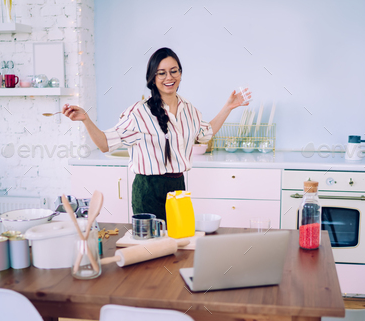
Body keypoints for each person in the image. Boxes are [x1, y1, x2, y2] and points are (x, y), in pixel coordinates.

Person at [63, 47, 250, 221]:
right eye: (161, 73)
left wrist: (229, 107)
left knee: (180, 242)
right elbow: (105, 143)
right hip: (147, 190)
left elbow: (206, 133)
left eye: (174, 71)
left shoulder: (189, 110)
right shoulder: (138, 112)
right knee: (152, 247)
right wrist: (85, 119)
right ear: (153, 78)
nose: (169, 77)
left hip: (178, 187)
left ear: (181, 74)